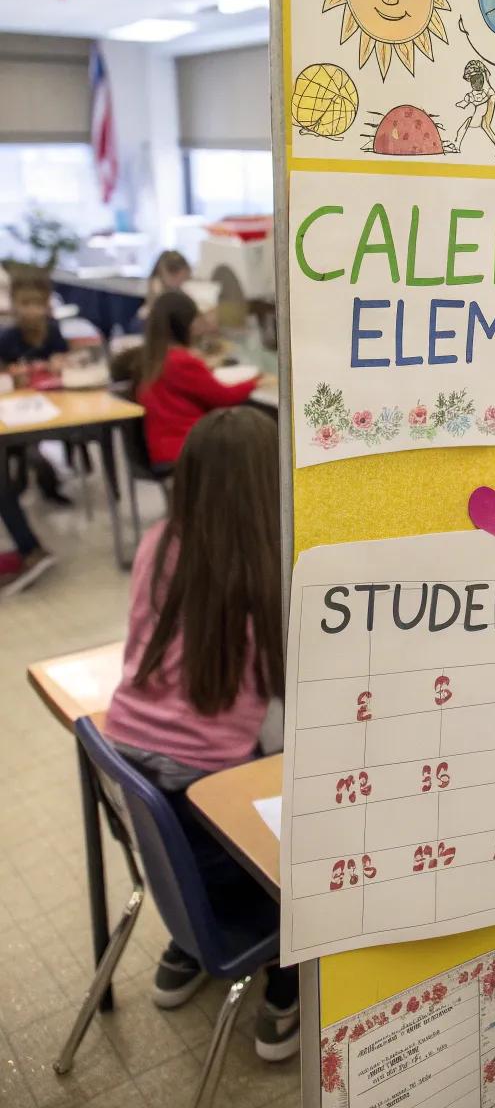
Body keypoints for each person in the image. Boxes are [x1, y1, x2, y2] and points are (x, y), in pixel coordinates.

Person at [104, 408, 298, 1060]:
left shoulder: (160, 541)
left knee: (186, 852)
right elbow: (283, 702)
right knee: (304, 826)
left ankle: (189, 936)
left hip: (125, 756)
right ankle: (285, 983)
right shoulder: (264, 569)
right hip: (203, 785)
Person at [138, 291, 260, 466]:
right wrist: (255, 381)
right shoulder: (181, 361)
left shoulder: (156, 356)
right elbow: (225, 397)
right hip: (188, 450)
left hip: (166, 449)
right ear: (183, 324)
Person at [0, 268, 73, 505]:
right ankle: (33, 482)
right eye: (25, 303)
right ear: (14, 303)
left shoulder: (52, 331)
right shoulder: (7, 337)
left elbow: (65, 360)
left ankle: (46, 480)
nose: (32, 310)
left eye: (37, 303)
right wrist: (12, 376)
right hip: (17, 409)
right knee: (29, 447)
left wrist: (59, 363)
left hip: (54, 403)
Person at [129, 250, 193, 334]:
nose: (183, 283)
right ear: (170, 275)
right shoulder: (157, 288)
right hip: (145, 324)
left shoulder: (171, 287)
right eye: (182, 279)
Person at [453, 60, 495, 156]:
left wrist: (468, 101)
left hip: (489, 98)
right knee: (485, 126)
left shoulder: (482, 77)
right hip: (489, 97)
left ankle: (456, 145)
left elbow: (484, 96)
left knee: (481, 125)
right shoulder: (483, 75)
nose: (472, 82)